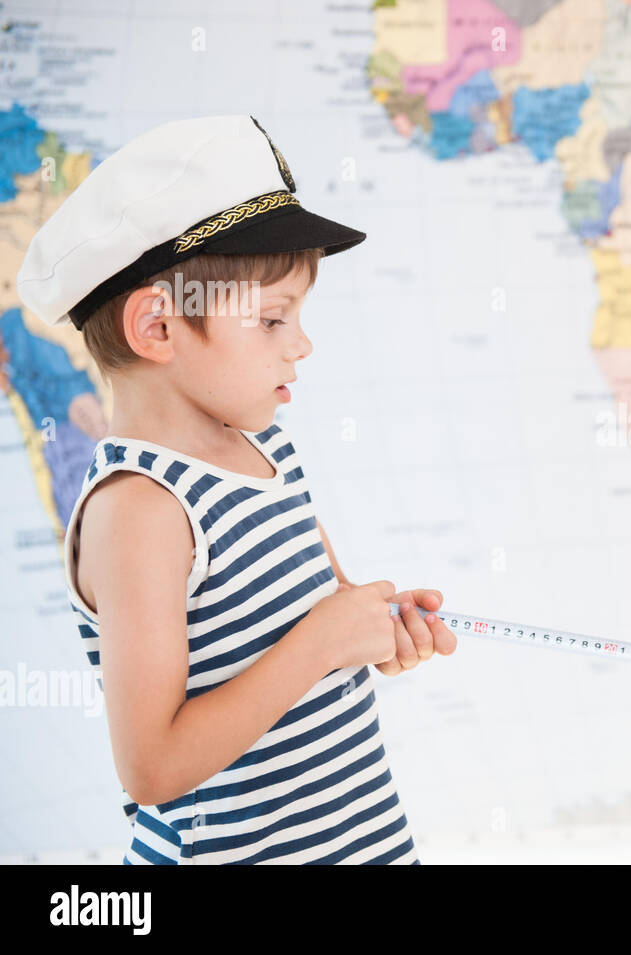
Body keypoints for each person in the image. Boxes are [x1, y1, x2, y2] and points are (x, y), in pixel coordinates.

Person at [17, 114, 456, 864]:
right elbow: (152, 766)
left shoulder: (267, 448)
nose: (302, 342)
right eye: (273, 319)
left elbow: (311, 620)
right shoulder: (140, 510)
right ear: (157, 328)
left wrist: (371, 630)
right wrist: (323, 642)